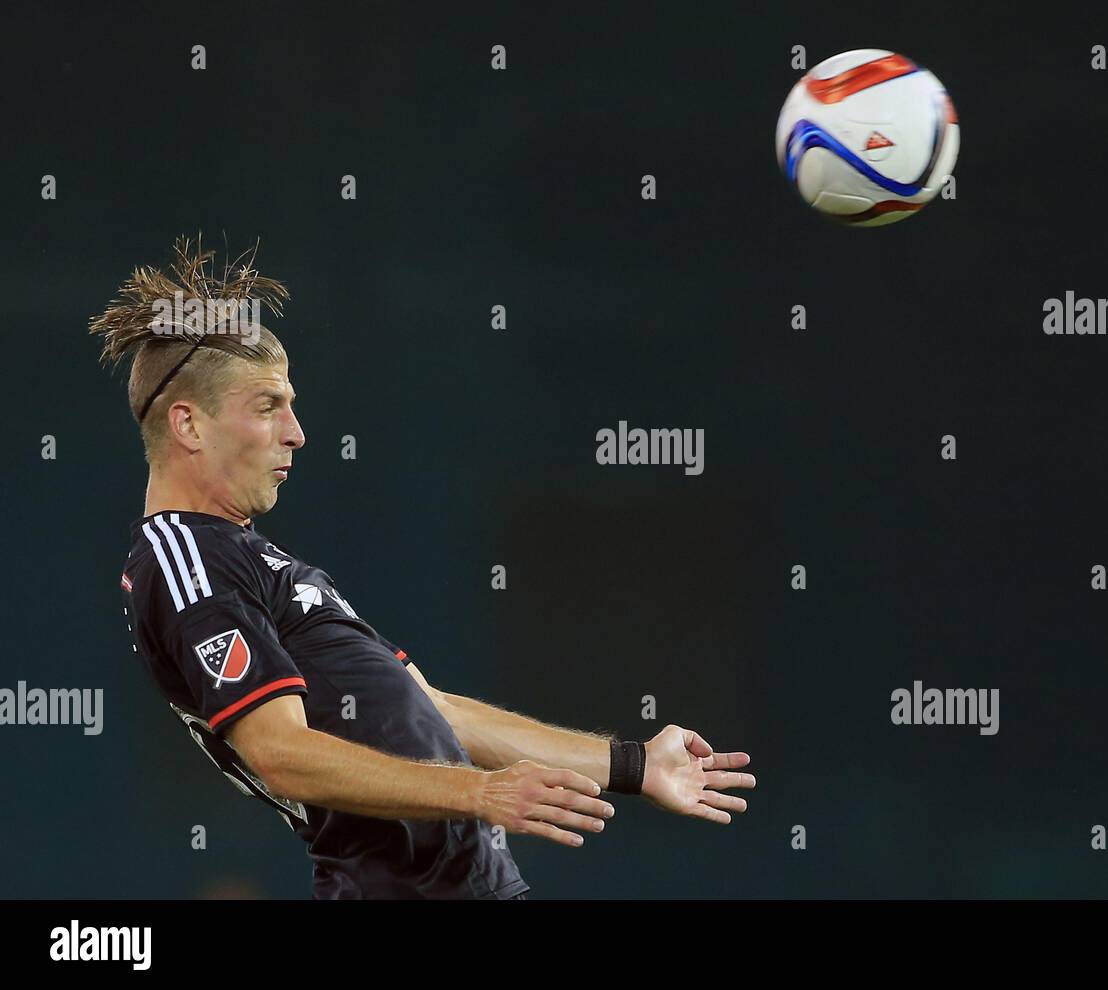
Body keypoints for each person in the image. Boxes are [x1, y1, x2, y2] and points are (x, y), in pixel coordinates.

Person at [92, 235, 756, 899]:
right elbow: (281, 753)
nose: (298, 432)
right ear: (188, 424)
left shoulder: (260, 562)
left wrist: (634, 764)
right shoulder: (185, 559)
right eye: (268, 406)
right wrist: (481, 792)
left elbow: (435, 711)